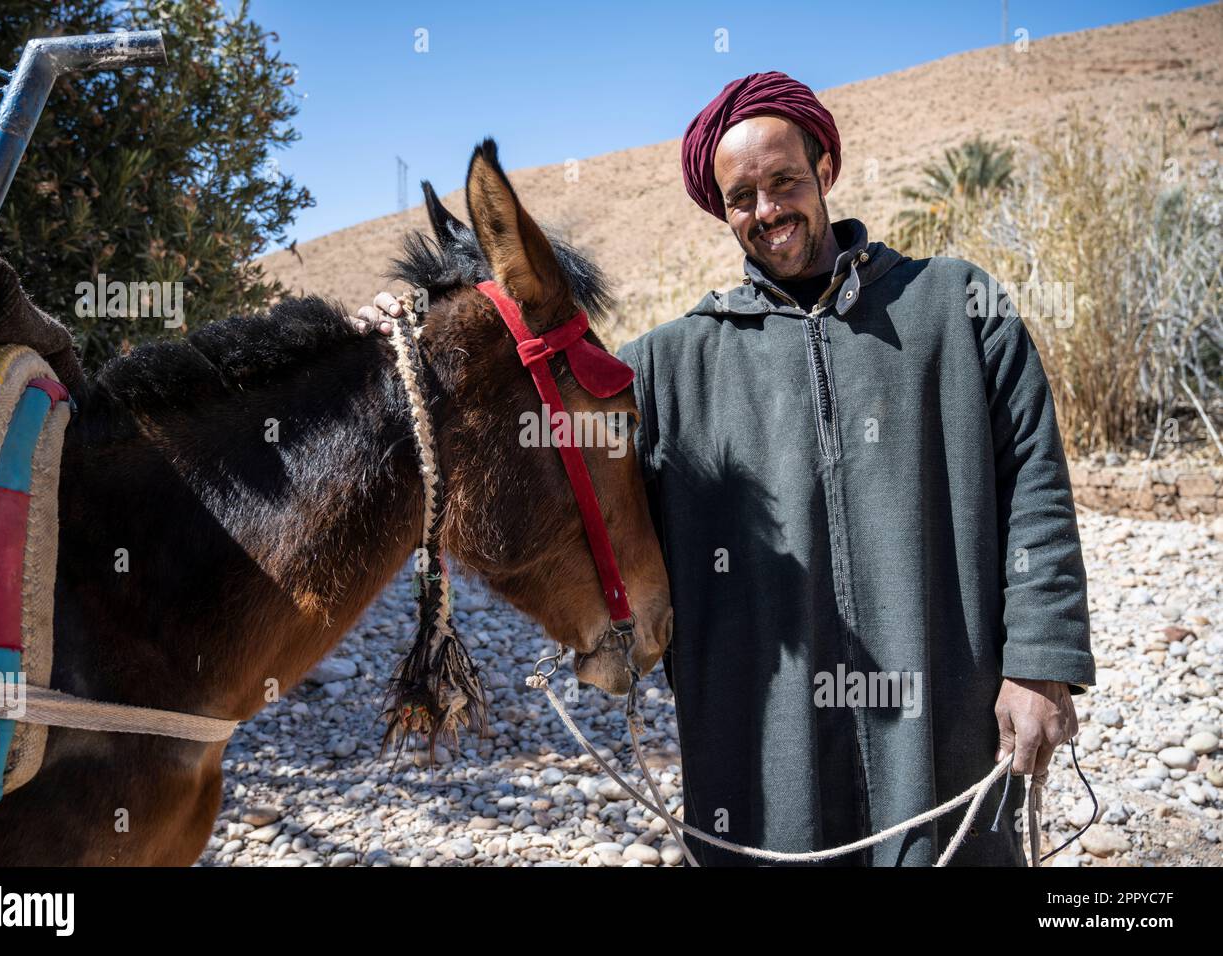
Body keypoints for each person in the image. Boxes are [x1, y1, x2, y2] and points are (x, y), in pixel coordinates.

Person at [355, 71, 1094, 866]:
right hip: (761, 759)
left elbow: (1036, 488)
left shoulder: (956, 308)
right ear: (722, 208)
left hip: (944, 724)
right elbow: (530, 412)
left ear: (825, 170)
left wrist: (1041, 667)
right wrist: (399, 353)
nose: (768, 210)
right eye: (742, 197)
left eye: (784, 182)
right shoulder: (669, 368)